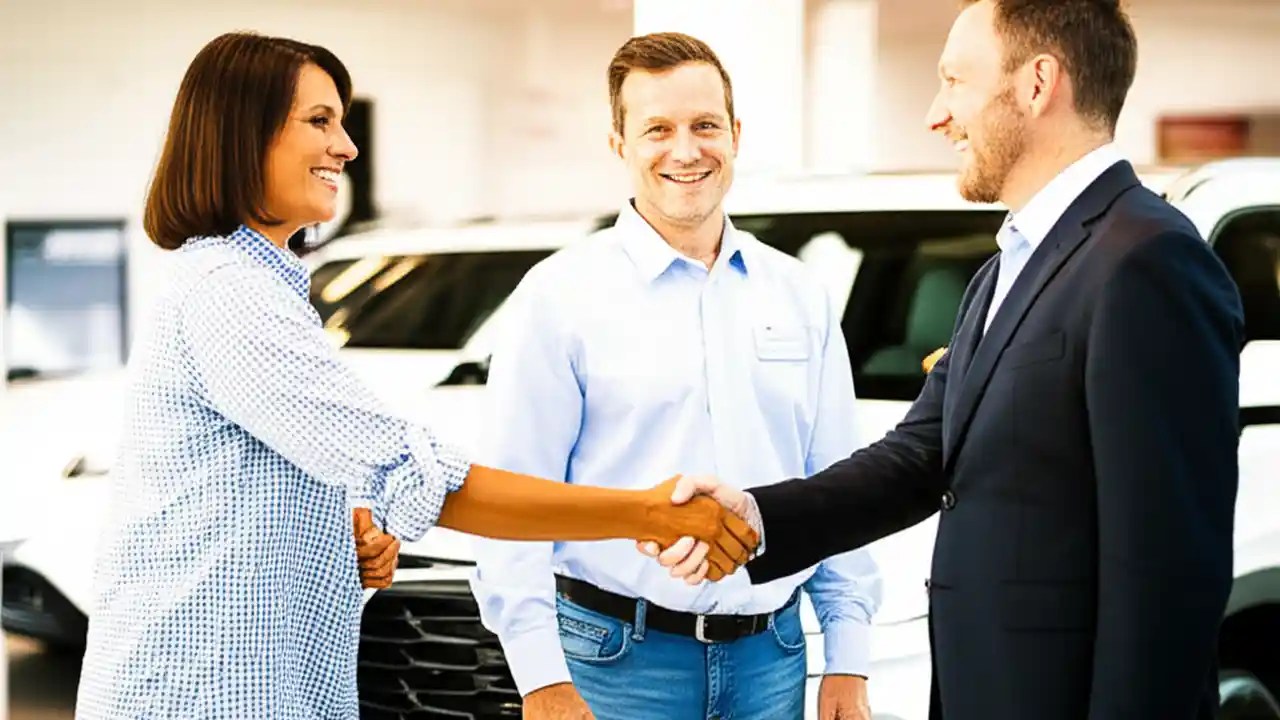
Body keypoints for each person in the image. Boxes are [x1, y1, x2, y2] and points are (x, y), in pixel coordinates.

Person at [72, 31, 756, 720]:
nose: (347, 147)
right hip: (202, 694)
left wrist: (336, 539)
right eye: (319, 121)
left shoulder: (259, 285)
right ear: (242, 134)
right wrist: (648, 513)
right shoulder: (228, 291)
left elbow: (244, 490)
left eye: (340, 122)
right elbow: (418, 473)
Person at [654, 1, 1246, 718]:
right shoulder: (1004, 269)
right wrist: (754, 516)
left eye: (954, 82)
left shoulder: (1148, 259)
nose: (937, 115)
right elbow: (923, 454)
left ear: (1037, 85)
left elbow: (1168, 572)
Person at [471, 31, 882, 720]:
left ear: (736, 134)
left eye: (704, 126)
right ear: (619, 145)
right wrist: (540, 678)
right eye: (657, 129)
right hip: (615, 664)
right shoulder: (558, 294)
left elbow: (836, 483)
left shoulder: (799, 292)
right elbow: (514, 498)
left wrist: (849, 656)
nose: (685, 151)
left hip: (773, 659)